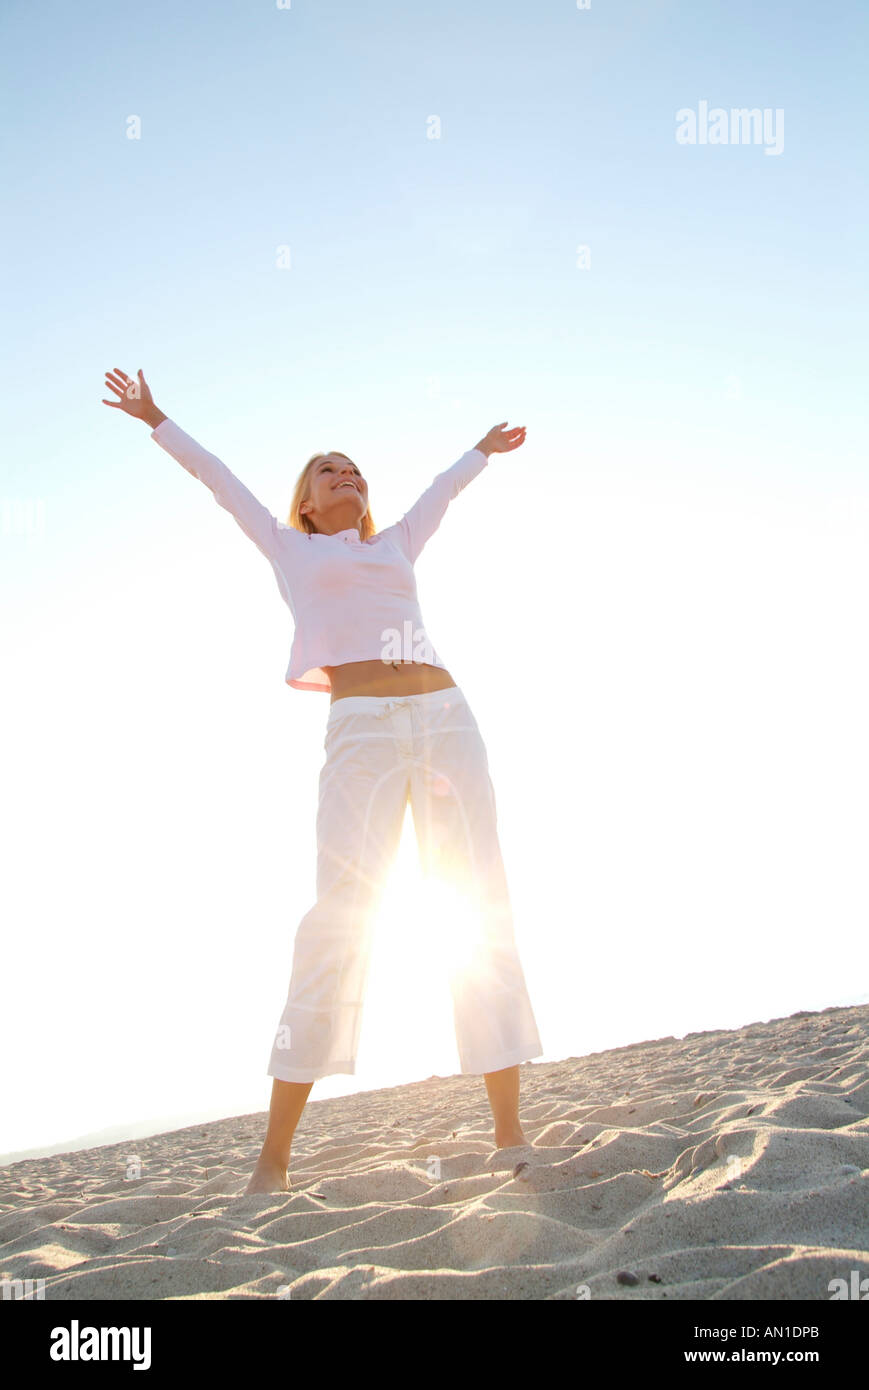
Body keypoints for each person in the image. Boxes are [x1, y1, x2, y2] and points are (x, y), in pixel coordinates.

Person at [102, 366, 544, 1194]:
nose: (347, 474)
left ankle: (510, 1130)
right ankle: (272, 1159)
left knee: (478, 899)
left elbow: (442, 492)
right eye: (327, 469)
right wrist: (156, 417)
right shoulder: (286, 545)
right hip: (361, 733)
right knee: (336, 920)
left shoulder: (395, 542)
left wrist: (480, 450)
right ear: (306, 500)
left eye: (354, 468)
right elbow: (218, 479)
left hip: (446, 719)